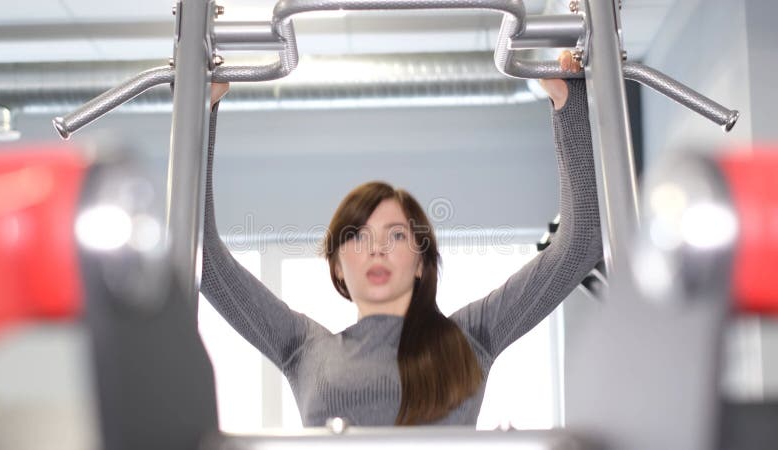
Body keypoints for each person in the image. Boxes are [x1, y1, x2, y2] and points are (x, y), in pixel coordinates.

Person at [201, 51, 602, 426]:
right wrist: (201, 114)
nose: (376, 249)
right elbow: (203, 259)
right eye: (357, 236)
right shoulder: (305, 349)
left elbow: (581, 242)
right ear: (337, 267)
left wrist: (567, 104)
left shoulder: (469, 337)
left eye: (395, 235)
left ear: (422, 262)